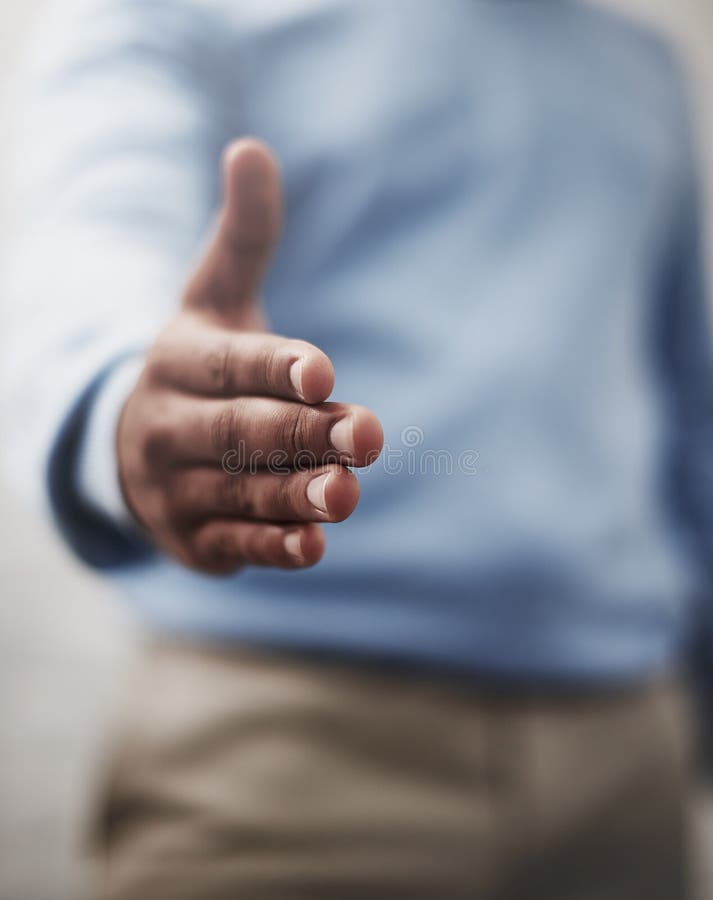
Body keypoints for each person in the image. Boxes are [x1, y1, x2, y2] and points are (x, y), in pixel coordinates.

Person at [5, 0, 711, 897]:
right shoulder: (174, 14)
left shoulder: (641, 68)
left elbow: (690, 420)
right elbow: (86, 268)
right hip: (285, 758)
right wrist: (131, 413)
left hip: (624, 765)